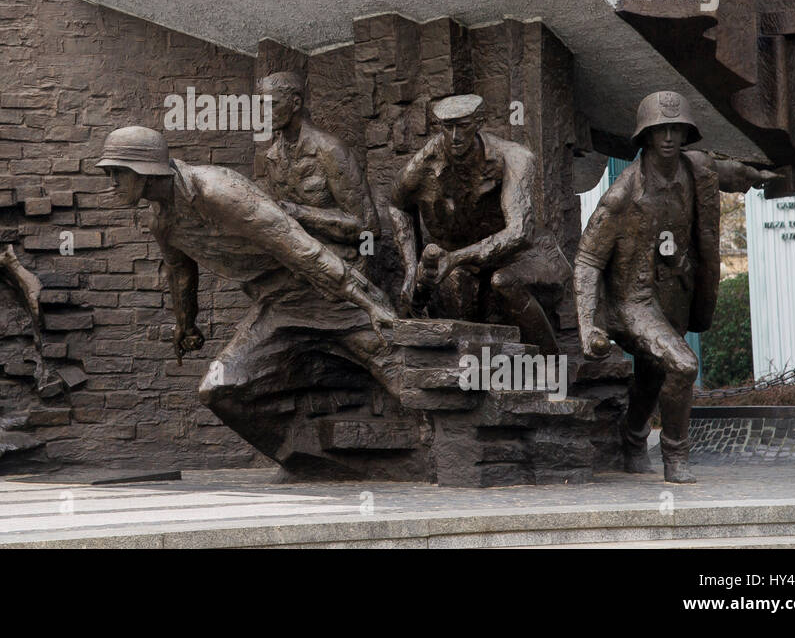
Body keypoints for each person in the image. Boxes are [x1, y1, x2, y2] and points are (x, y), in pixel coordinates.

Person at [96, 125, 404, 469]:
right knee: (217, 390)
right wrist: (185, 326)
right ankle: (325, 466)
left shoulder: (217, 191)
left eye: (117, 173)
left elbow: (296, 244)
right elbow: (180, 272)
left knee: (402, 375)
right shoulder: (162, 221)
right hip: (277, 307)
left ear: (145, 171)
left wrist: (365, 301)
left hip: (327, 292)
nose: (111, 182)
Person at [575, 91, 776, 483]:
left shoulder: (696, 168)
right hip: (632, 302)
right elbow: (587, 259)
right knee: (683, 364)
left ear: (686, 133)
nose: (668, 136)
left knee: (653, 374)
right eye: (659, 129)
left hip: (676, 296)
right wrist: (588, 324)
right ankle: (675, 456)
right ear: (645, 136)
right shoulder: (622, 194)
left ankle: (633, 439)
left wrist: (765, 175)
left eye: (676, 128)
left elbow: (729, 171)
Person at [388, 94, 570, 354]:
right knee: (455, 328)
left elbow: (519, 232)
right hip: (466, 265)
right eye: (446, 127)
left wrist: (455, 258)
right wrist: (410, 266)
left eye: (462, 126)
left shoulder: (515, 158)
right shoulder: (426, 159)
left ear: (479, 122)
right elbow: (397, 204)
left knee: (503, 281)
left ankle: (553, 363)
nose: (454, 136)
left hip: (525, 257)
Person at [258, 71, 379, 265]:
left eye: (272, 104)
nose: (263, 112)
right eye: (260, 105)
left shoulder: (330, 150)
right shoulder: (272, 156)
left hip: (344, 267)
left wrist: (299, 213)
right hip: (301, 262)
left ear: (295, 103)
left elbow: (369, 229)